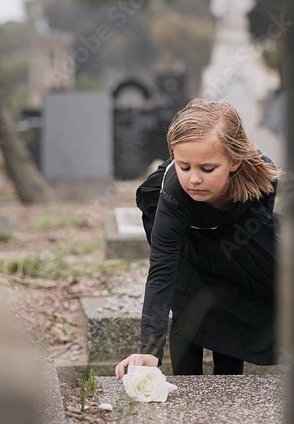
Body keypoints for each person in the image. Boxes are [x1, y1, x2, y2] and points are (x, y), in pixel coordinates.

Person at [115, 98, 280, 378]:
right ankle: (186, 387)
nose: (193, 179)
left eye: (207, 169)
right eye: (184, 166)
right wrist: (149, 349)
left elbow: (255, 241)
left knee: (233, 297)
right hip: (185, 235)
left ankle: (229, 391)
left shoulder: (261, 180)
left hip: (234, 235)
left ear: (234, 162)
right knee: (186, 297)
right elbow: (161, 274)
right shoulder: (174, 195)